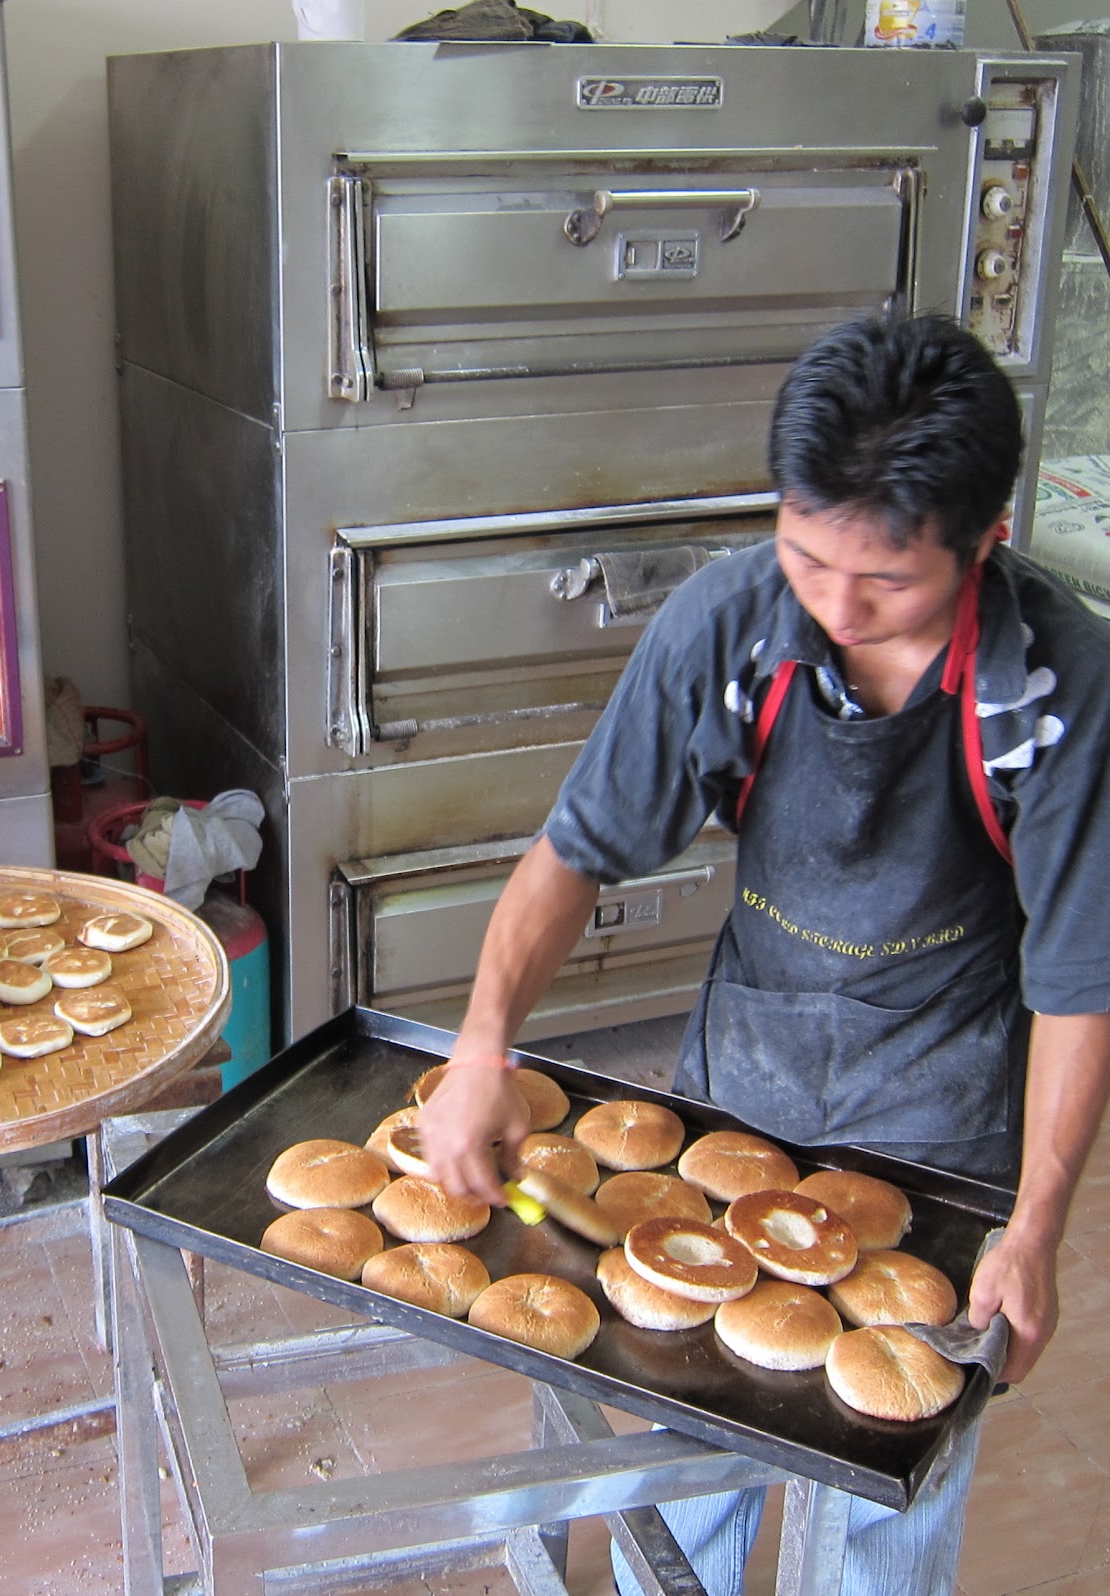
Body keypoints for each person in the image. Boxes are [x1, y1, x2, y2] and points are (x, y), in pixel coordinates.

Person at [416, 312, 1110, 1595]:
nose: (834, 608)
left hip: (945, 1096)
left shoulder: (1056, 687)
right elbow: (574, 850)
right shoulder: (730, 625)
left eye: (885, 581)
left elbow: (1080, 978)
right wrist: (480, 1047)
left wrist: (1037, 1223)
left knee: (891, 1454)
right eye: (805, 555)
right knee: (696, 1403)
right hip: (749, 1068)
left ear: (985, 540)